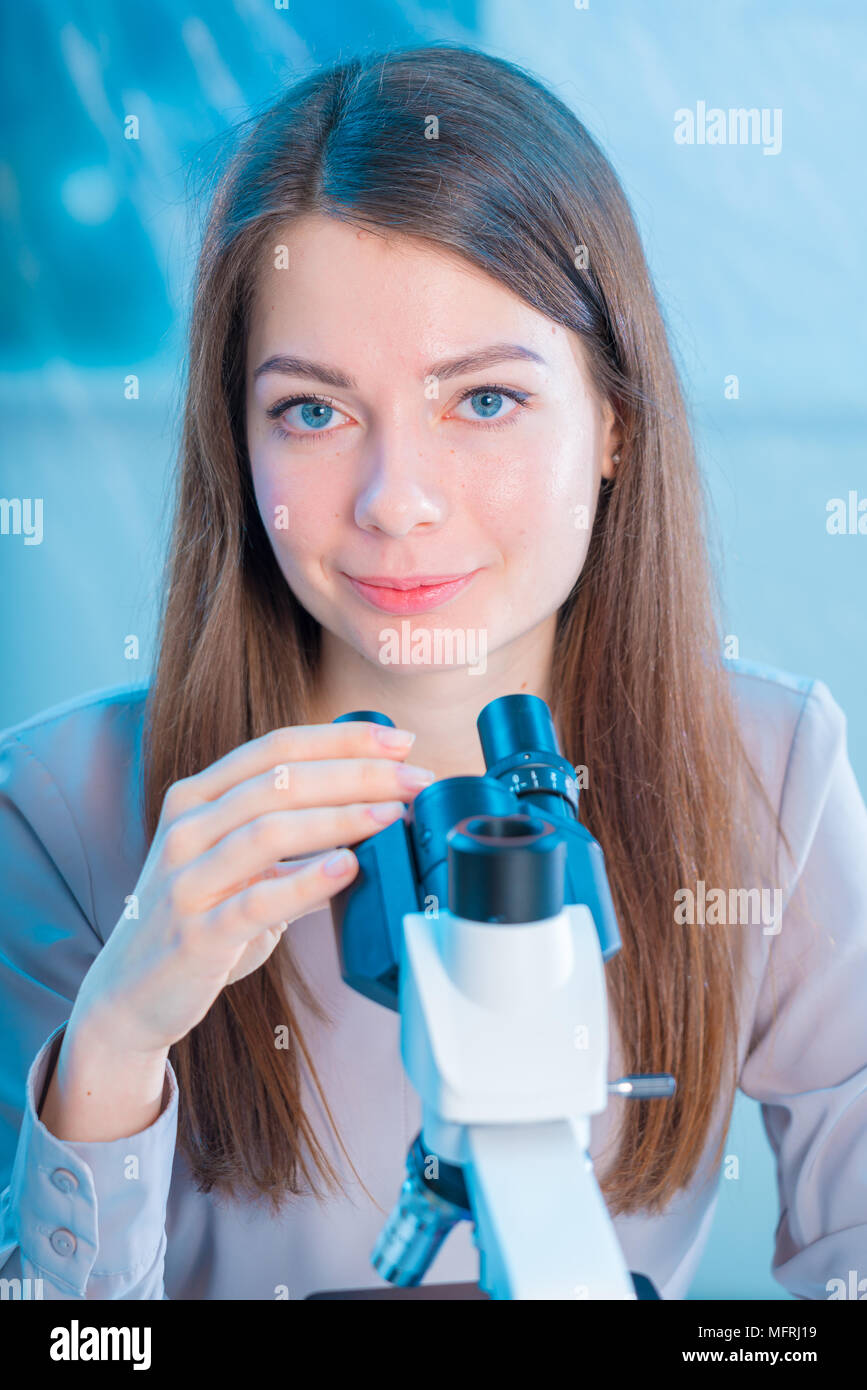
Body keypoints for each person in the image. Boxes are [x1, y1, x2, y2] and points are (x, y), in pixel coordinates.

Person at [1, 42, 865, 1302]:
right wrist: (115, 1047)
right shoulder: (60, 804)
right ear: (235, 441)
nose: (397, 501)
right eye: (312, 410)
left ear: (614, 416)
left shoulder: (768, 770)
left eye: (486, 401)